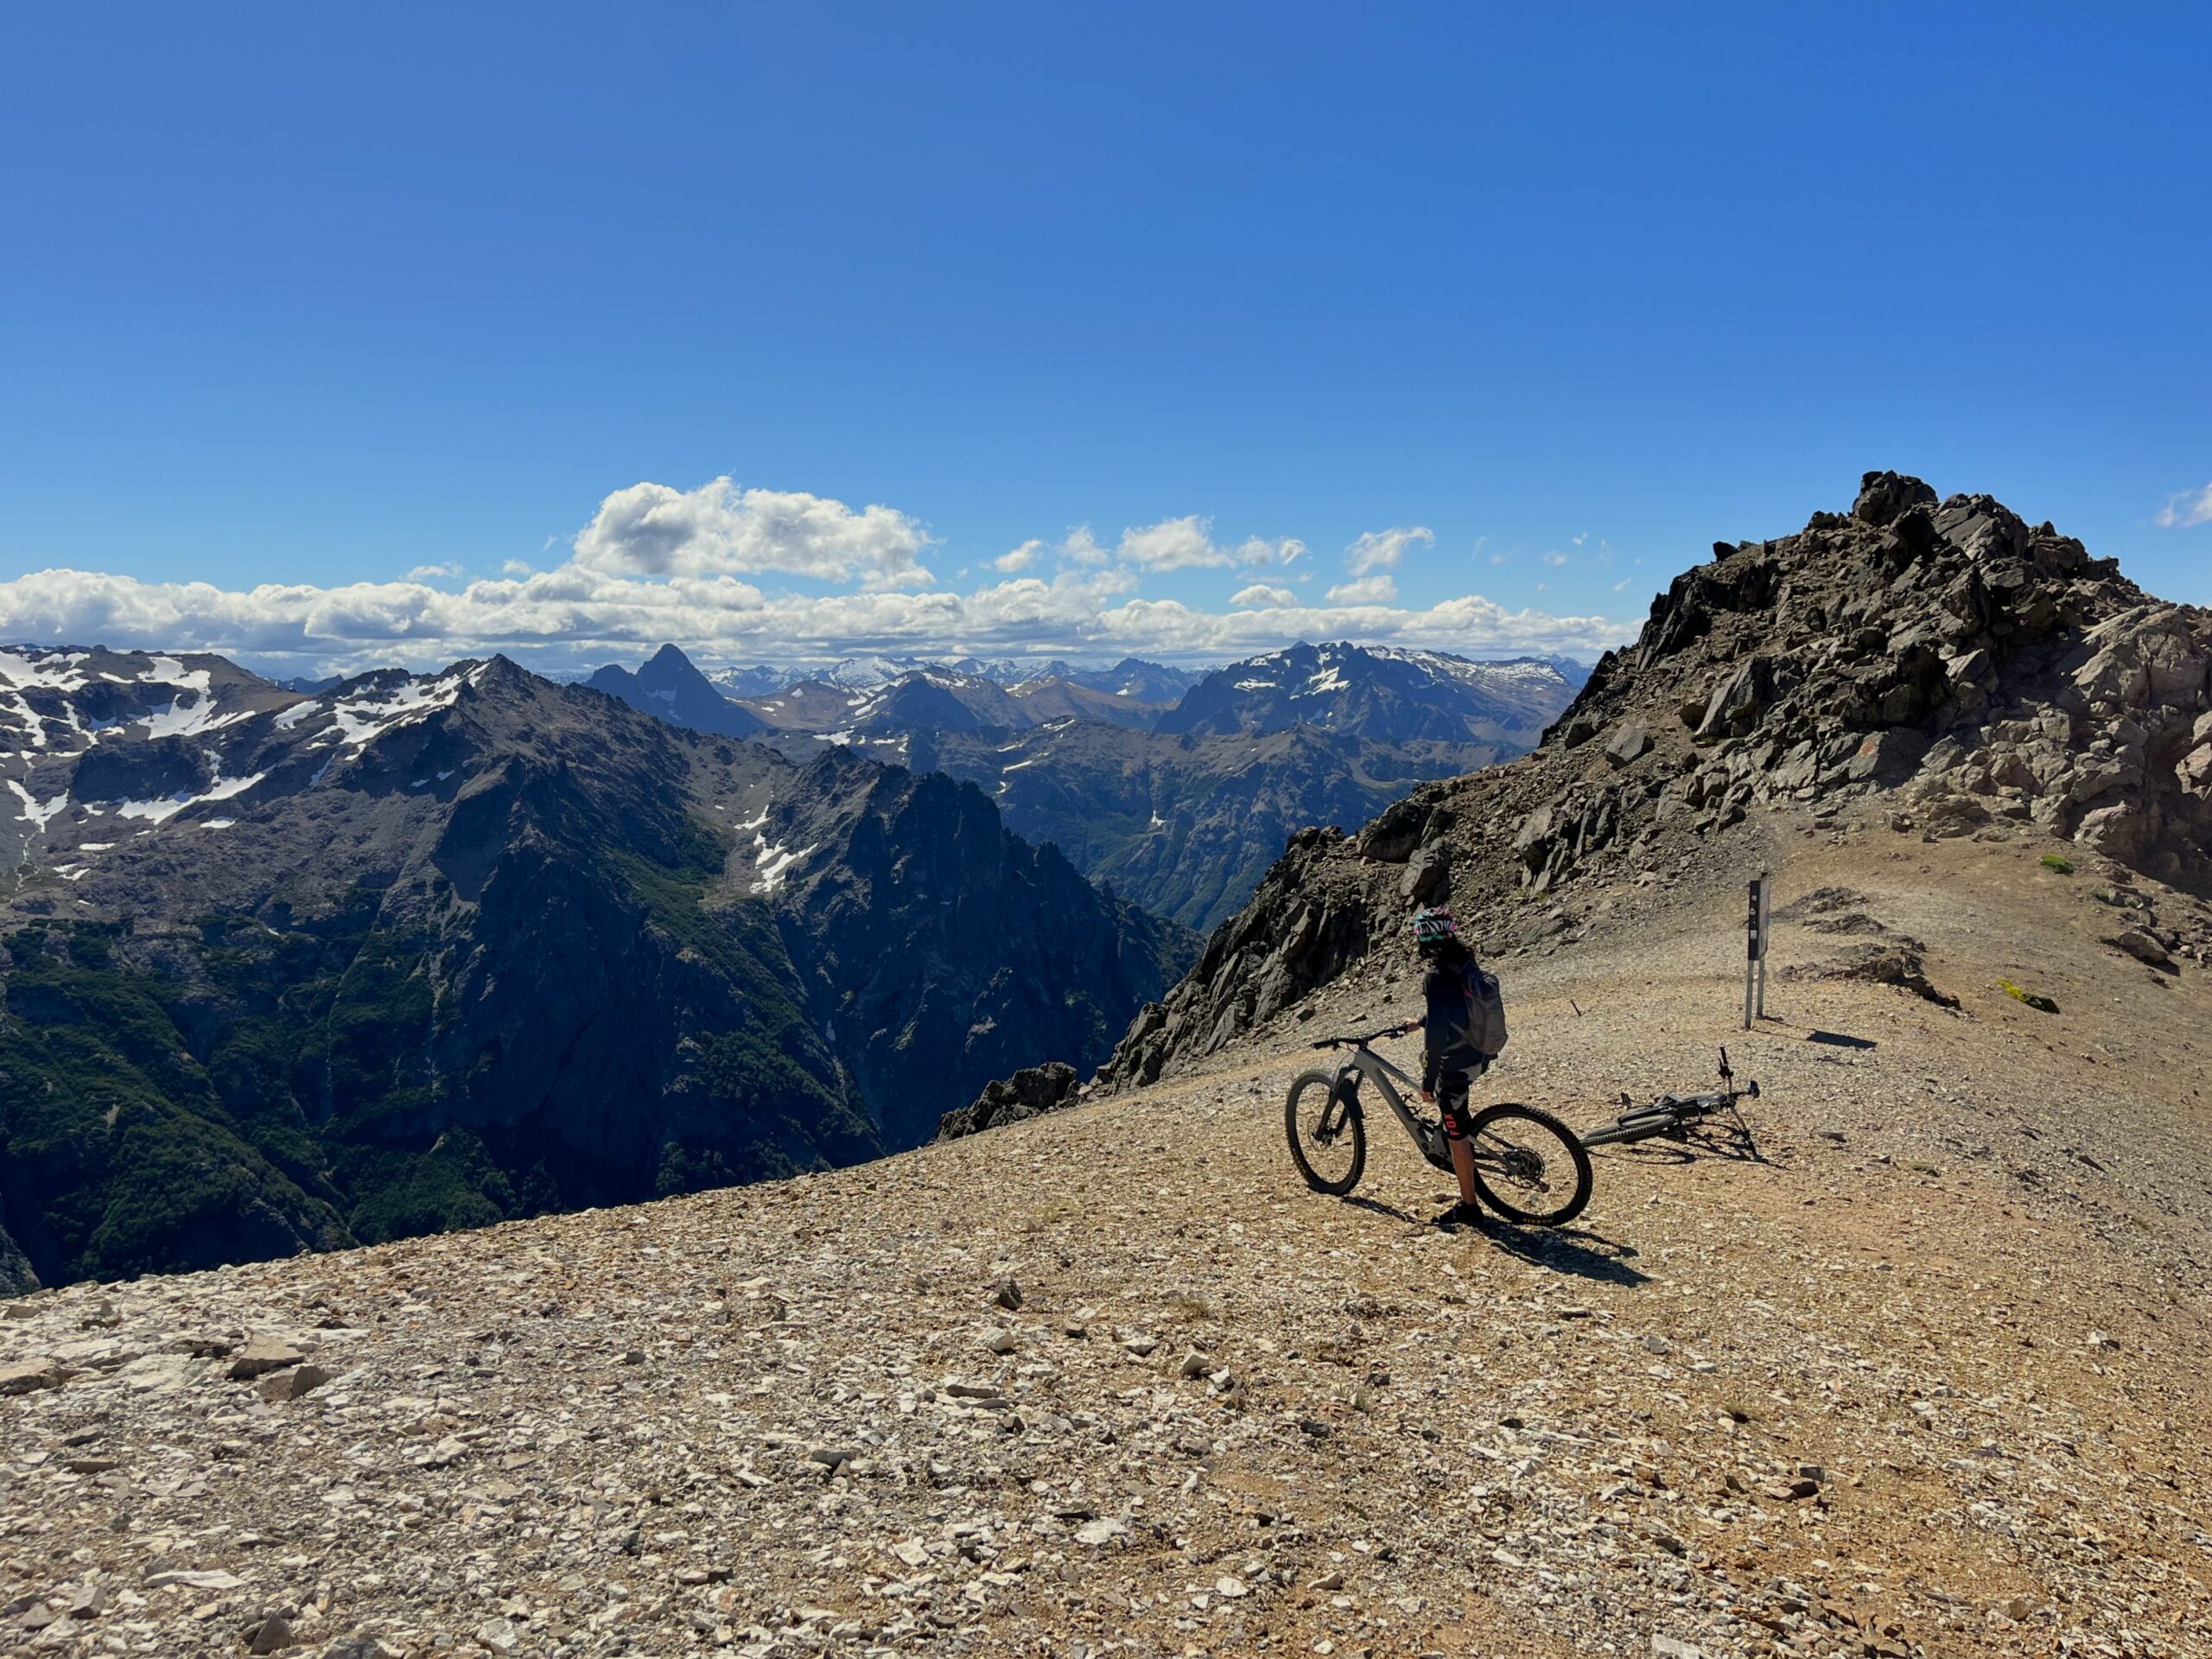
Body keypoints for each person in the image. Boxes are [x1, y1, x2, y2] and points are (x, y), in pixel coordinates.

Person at [1399, 906, 1498, 1229]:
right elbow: (1457, 1009)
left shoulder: (1436, 976)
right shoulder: (1463, 963)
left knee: (1457, 1134)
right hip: (1479, 1053)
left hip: (1457, 1062)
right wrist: (1419, 1021)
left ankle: (1470, 1206)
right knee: (1456, 1120)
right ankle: (1458, 1134)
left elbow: (1437, 1034)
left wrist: (1428, 1081)